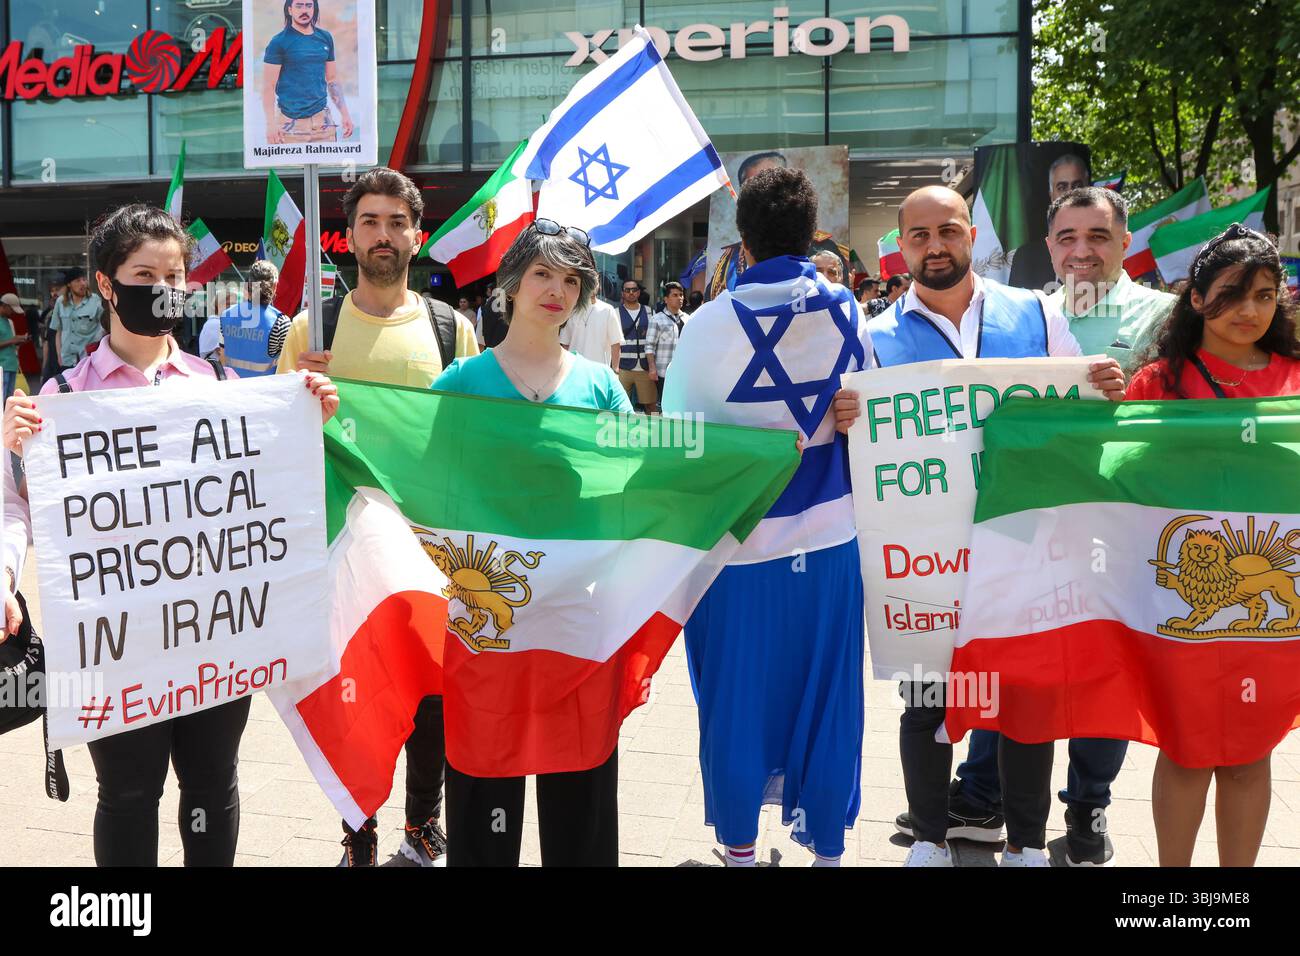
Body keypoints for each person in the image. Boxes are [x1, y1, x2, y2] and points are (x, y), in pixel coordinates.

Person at [1, 203, 339, 867]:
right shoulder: (58, 400)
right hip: (113, 646)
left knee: (213, 783)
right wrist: (3, 577)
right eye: (143, 272)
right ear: (107, 283)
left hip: (214, 636)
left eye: (175, 274)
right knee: (127, 793)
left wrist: (312, 425)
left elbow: (273, 494)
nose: (163, 287)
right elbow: (16, 508)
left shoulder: (221, 387)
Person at [833, 185, 1127, 867]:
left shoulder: (1035, 313)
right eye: (919, 236)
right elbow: (864, 449)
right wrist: (848, 421)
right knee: (930, 698)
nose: (935, 247)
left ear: (972, 236)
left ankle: (1024, 842)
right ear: (901, 247)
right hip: (925, 555)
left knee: (1024, 697)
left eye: (948, 231)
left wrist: (1102, 392)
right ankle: (932, 838)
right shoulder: (874, 339)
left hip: (1023, 543)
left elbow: (1070, 417)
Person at [665, 167, 872, 868]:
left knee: (737, 702)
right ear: (813, 233)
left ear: (741, 243)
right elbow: (863, 418)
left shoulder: (708, 323)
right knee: (828, 695)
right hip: (834, 543)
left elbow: (680, 440)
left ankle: (740, 853)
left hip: (739, 553)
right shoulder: (849, 310)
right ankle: (830, 854)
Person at [279, 167, 477, 867]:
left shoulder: (452, 329)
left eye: (397, 222)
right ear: (350, 234)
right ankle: (356, 828)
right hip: (346, 547)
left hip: (430, 545)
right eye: (370, 221)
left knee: (431, 694)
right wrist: (302, 390)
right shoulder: (312, 326)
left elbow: (473, 436)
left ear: (417, 234)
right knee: (355, 687)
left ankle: (423, 825)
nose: (384, 234)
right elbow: (277, 441)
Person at [431, 219, 633, 867]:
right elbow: (413, 478)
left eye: (572, 279)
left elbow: (644, 477)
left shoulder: (600, 386)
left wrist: (761, 446)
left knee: (581, 800)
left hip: (576, 624)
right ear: (512, 283)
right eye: (543, 273)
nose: (557, 290)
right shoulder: (462, 383)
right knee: (484, 794)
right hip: (486, 628)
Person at [1126, 224, 1300, 866]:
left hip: (1273, 617)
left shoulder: (1296, 379)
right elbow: (1114, 472)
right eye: (1231, 295)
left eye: (1264, 294)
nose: (1250, 311)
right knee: (1185, 747)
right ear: (1196, 299)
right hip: (1180, 613)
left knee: (1252, 751)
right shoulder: (1156, 383)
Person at [707, 151, 851, 299]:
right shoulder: (730, 259)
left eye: (775, 185)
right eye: (757, 188)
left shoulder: (823, 248)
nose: (767, 195)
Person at [262, 0, 353, 146]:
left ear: (314, 9)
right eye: (299, 5)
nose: (304, 10)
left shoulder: (325, 38)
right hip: (290, 124)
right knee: (292, 169)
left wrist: (345, 114)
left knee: (325, 166)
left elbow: (332, 79)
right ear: (290, 10)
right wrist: (270, 124)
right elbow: (268, 86)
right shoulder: (278, 42)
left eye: (308, 5)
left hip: (323, 122)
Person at [1009, 152, 1091, 290]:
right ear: (1051, 195)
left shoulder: (1105, 249)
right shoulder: (1026, 257)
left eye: (1077, 186)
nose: (1070, 194)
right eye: (1062, 187)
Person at [218, 261, 283, 377]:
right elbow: (286, 367)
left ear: (247, 285)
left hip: (232, 390)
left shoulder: (226, 315)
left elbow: (222, 357)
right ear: (275, 286)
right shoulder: (280, 322)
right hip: (265, 392)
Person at [49, 266, 104, 370]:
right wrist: (59, 354)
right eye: (78, 280)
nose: (83, 283)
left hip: (88, 359)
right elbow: (58, 331)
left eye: (84, 279)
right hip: (67, 359)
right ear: (69, 284)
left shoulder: (95, 301)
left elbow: (105, 327)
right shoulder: (60, 302)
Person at [615, 280, 656, 411]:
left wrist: (653, 366)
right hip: (623, 367)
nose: (631, 293)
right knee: (619, 406)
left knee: (651, 405)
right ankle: (621, 431)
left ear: (638, 292)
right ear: (622, 293)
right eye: (627, 290)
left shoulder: (650, 312)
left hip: (645, 367)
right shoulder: (615, 313)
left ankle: (654, 430)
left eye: (634, 290)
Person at [646, 281, 687, 410]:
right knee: (664, 405)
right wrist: (652, 368)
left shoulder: (688, 318)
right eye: (675, 295)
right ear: (666, 299)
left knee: (681, 405)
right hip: (664, 371)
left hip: (683, 371)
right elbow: (649, 346)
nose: (679, 298)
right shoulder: (657, 319)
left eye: (681, 295)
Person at [0, 294, 31, 404]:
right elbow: (10, 341)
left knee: (9, 400)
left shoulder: (9, 322)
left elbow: (11, 343)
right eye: (11, 309)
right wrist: (12, 340)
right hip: (2, 367)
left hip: (12, 365)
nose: (13, 312)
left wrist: (20, 340)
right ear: (4, 306)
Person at [39, 273, 65, 387]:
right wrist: (44, 369)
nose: (54, 293)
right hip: (52, 367)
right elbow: (46, 342)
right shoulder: (48, 314)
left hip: (70, 365)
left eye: (58, 289)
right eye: (52, 290)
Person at [475, 281, 508, 349]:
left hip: (492, 345)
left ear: (489, 290)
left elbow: (481, 336)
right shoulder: (510, 303)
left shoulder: (488, 304)